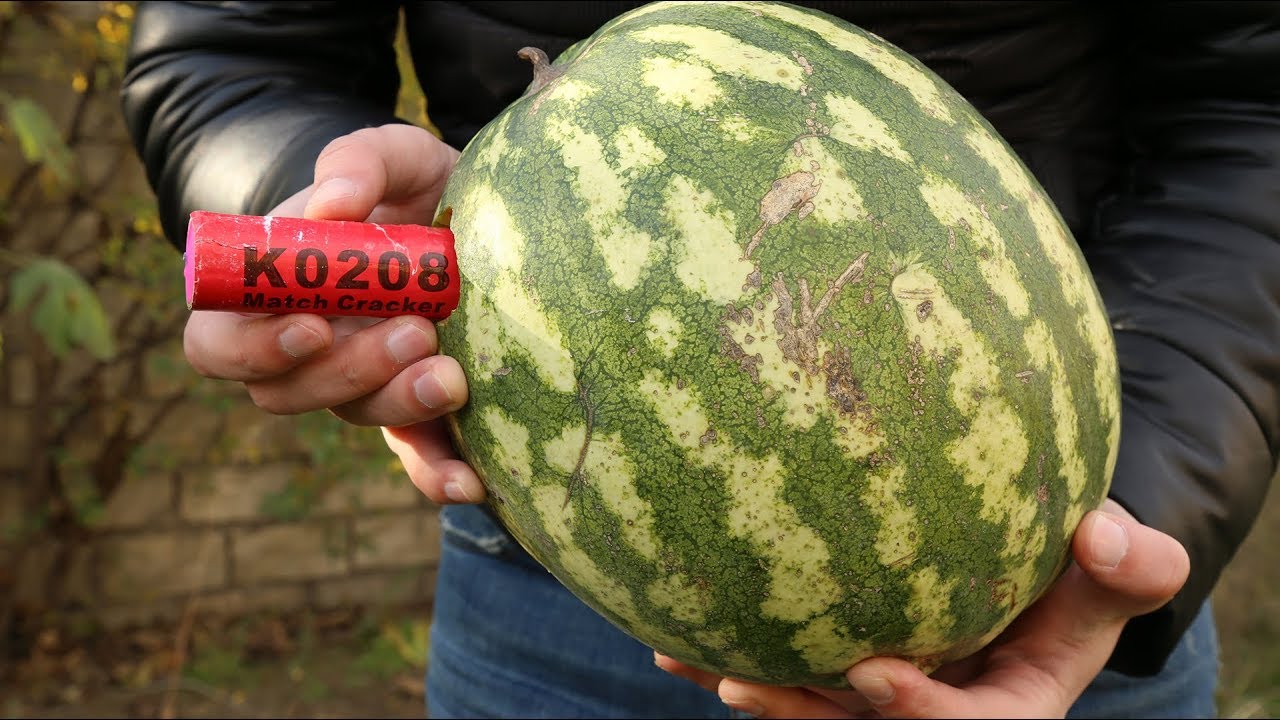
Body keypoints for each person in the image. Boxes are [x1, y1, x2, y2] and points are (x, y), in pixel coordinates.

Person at [118, 2, 1278, 718]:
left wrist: (1139, 499)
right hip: (560, 580)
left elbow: (1249, 100)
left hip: (1084, 561)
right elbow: (231, 55)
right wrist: (308, 213)